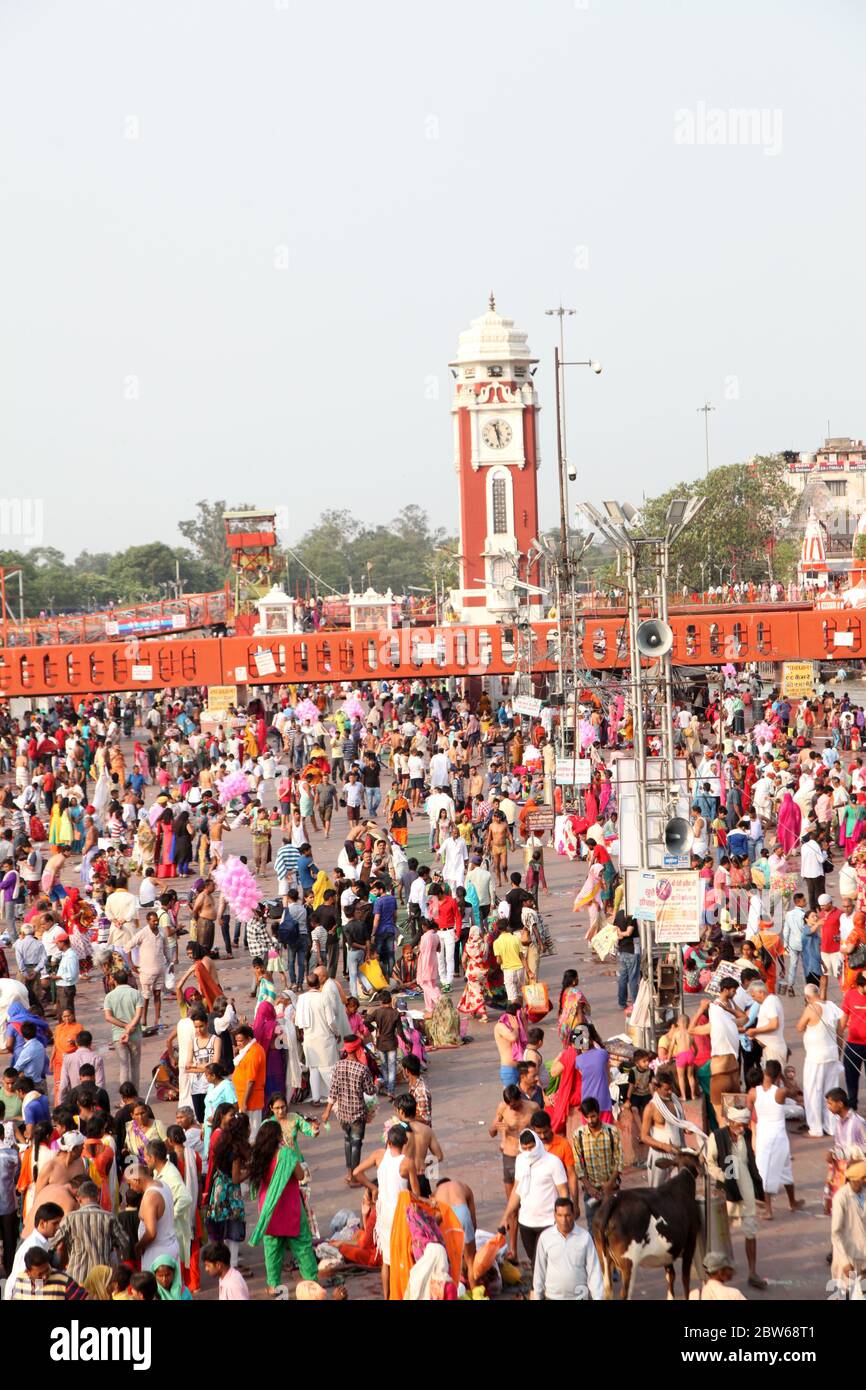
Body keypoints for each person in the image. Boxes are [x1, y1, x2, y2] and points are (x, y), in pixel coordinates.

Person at [248, 1110, 319, 1295]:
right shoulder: (286, 1155)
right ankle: (311, 1282)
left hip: (269, 1211)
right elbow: (300, 1175)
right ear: (278, 1136)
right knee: (303, 1247)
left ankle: (273, 1286)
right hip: (289, 1208)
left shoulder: (259, 1157)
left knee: (272, 1250)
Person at [353, 1124, 420, 1300]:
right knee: (405, 1256)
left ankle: (387, 1296)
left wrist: (373, 1188)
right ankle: (405, 1293)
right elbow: (416, 1195)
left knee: (387, 1261)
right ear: (405, 1142)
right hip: (401, 1215)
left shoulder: (379, 1155)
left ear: (388, 1141)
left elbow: (356, 1172)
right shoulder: (407, 1163)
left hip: (383, 1214)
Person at [706, 1106, 767, 1289]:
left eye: (744, 1124)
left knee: (750, 1231)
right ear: (731, 1122)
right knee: (721, 1234)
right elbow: (710, 1162)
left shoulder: (747, 1135)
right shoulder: (716, 1137)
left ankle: (752, 1273)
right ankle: (717, 1275)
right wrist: (722, 1177)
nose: (743, 1127)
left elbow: (751, 1160)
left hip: (746, 1189)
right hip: (726, 1191)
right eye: (740, 1124)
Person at [500, 1129, 568, 1272]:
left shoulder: (553, 1162)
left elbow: (563, 1192)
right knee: (535, 1262)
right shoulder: (520, 1161)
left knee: (543, 1263)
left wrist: (564, 1218)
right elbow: (516, 1191)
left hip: (548, 1223)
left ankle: (541, 1290)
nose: (529, 1152)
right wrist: (506, 1216)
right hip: (526, 1222)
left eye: (531, 1147)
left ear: (537, 1144)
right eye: (524, 1148)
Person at [747, 1060, 805, 1218]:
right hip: (779, 1136)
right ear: (778, 1075)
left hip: (763, 1136)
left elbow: (749, 1111)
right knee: (785, 1168)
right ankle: (790, 1203)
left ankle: (769, 1209)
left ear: (765, 1073)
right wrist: (785, 1079)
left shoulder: (753, 1092)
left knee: (766, 1172)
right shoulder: (780, 1092)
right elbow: (797, 1092)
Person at [321, 1036, 376, 1186]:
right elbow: (370, 1091)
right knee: (356, 1143)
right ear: (358, 1049)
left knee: (347, 1141)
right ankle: (354, 1176)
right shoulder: (362, 1069)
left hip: (343, 1113)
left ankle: (349, 1173)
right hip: (357, 1113)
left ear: (346, 1049)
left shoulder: (338, 1066)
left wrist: (327, 1111)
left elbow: (333, 1091)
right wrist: (376, 1084)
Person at [51, 1178, 127, 1285]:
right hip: (102, 1278)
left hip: (76, 1276)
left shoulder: (70, 1218)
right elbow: (125, 1242)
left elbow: (52, 1241)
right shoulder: (109, 1217)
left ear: (79, 1199)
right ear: (97, 1196)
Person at [531, 1196, 604, 1300]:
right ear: (554, 1215)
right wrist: (537, 1296)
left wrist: (598, 1297)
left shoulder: (584, 1237)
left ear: (573, 1215)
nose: (564, 1220)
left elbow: (594, 1271)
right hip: (552, 1297)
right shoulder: (545, 1237)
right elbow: (539, 1272)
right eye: (560, 1215)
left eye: (567, 1215)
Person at [796, 984, 844, 1137]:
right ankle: (831, 1126)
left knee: (813, 1092)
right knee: (830, 1091)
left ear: (807, 997)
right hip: (831, 1054)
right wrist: (838, 1039)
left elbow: (799, 1027)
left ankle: (816, 1128)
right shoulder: (830, 1005)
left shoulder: (811, 1008)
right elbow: (842, 1018)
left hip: (816, 1058)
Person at [572, 1097, 622, 1226]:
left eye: (593, 1116)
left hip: (612, 1189)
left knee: (616, 1226)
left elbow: (619, 1159)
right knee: (593, 1227)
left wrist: (610, 1183)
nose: (590, 1120)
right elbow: (577, 1164)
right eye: (587, 1117)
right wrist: (589, 1186)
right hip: (591, 1192)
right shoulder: (578, 1135)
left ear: (598, 1113)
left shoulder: (612, 1132)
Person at [294, 972, 341, 1103]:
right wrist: (337, 1033)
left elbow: (298, 1021)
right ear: (319, 983)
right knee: (329, 1069)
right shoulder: (323, 997)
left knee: (314, 1069)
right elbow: (331, 1020)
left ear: (307, 984)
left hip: (309, 1040)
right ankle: (335, 1098)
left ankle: (316, 1098)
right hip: (325, 1038)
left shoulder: (302, 998)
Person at [103, 970, 144, 1093]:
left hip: (118, 1036)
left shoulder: (109, 996)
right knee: (135, 1066)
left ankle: (125, 1097)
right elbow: (138, 1014)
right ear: (128, 979)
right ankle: (135, 1095)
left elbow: (108, 1017)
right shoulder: (136, 993)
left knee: (124, 1066)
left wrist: (124, 1026)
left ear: (115, 981)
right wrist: (130, 1027)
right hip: (135, 1034)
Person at [830, 1160, 866, 1294]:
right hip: (848, 1257)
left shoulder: (864, 1192)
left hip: (863, 1256)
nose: (864, 1180)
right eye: (863, 1177)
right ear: (855, 1177)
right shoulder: (841, 1198)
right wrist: (845, 1261)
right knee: (847, 1293)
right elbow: (836, 1233)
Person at [840, 971, 866, 1109]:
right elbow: (844, 1018)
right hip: (853, 1044)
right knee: (851, 1077)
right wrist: (838, 1034)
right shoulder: (850, 994)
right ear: (860, 986)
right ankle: (852, 1105)